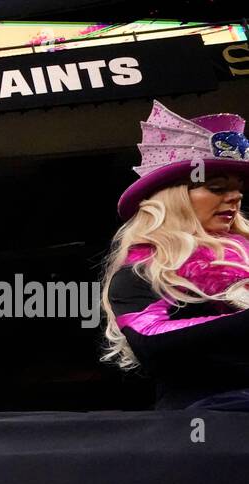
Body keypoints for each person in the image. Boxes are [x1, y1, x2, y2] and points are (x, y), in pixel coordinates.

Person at [102, 101, 249, 411]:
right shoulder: (140, 274)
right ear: (174, 199)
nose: (234, 197)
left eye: (238, 189)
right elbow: (152, 342)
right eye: (217, 187)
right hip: (208, 424)